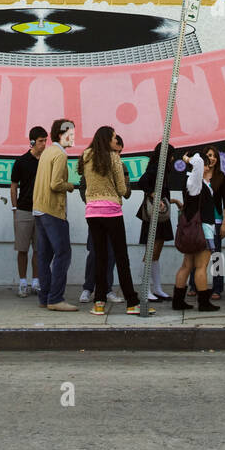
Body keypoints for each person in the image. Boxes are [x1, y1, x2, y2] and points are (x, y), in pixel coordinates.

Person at [80, 127, 142, 314]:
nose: (116, 141)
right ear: (107, 139)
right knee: (121, 256)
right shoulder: (114, 158)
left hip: (92, 212)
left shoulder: (87, 156)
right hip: (112, 211)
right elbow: (122, 190)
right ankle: (132, 302)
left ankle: (98, 303)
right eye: (114, 137)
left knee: (100, 257)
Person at [32, 119, 78, 312]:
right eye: (72, 133)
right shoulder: (59, 154)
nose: (74, 137)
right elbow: (56, 184)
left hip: (39, 208)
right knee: (63, 254)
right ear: (62, 134)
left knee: (44, 256)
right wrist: (71, 186)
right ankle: (56, 298)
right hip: (53, 210)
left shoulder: (47, 151)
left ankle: (45, 298)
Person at [171, 152, 218, 312]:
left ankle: (178, 301)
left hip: (192, 230)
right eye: (207, 163)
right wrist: (188, 159)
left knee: (186, 265)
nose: (208, 165)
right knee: (201, 267)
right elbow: (197, 162)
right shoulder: (195, 182)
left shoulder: (192, 182)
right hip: (202, 230)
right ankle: (204, 303)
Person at [136, 144, 181, 302]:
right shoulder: (156, 167)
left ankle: (157, 288)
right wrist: (153, 194)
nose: (173, 158)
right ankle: (145, 288)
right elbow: (142, 183)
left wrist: (170, 200)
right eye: (171, 155)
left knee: (156, 253)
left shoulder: (163, 169)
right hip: (153, 214)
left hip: (161, 213)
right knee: (151, 252)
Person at [10, 127, 46, 297]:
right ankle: (23, 282)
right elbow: (14, 185)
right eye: (41, 141)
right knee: (22, 249)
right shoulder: (21, 161)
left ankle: (36, 281)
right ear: (32, 142)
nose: (44, 144)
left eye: (46, 140)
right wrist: (14, 208)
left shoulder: (47, 160)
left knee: (39, 249)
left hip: (41, 210)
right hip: (23, 210)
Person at [202, 147, 225, 299]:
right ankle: (194, 285)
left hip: (217, 221)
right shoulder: (197, 175)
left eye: (213, 156)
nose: (211, 158)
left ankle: (217, 288)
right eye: (208, 156)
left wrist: (224, 224)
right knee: (197, 253)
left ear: (217, 159)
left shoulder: (221, 177)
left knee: (216, 255)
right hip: (200, 221)